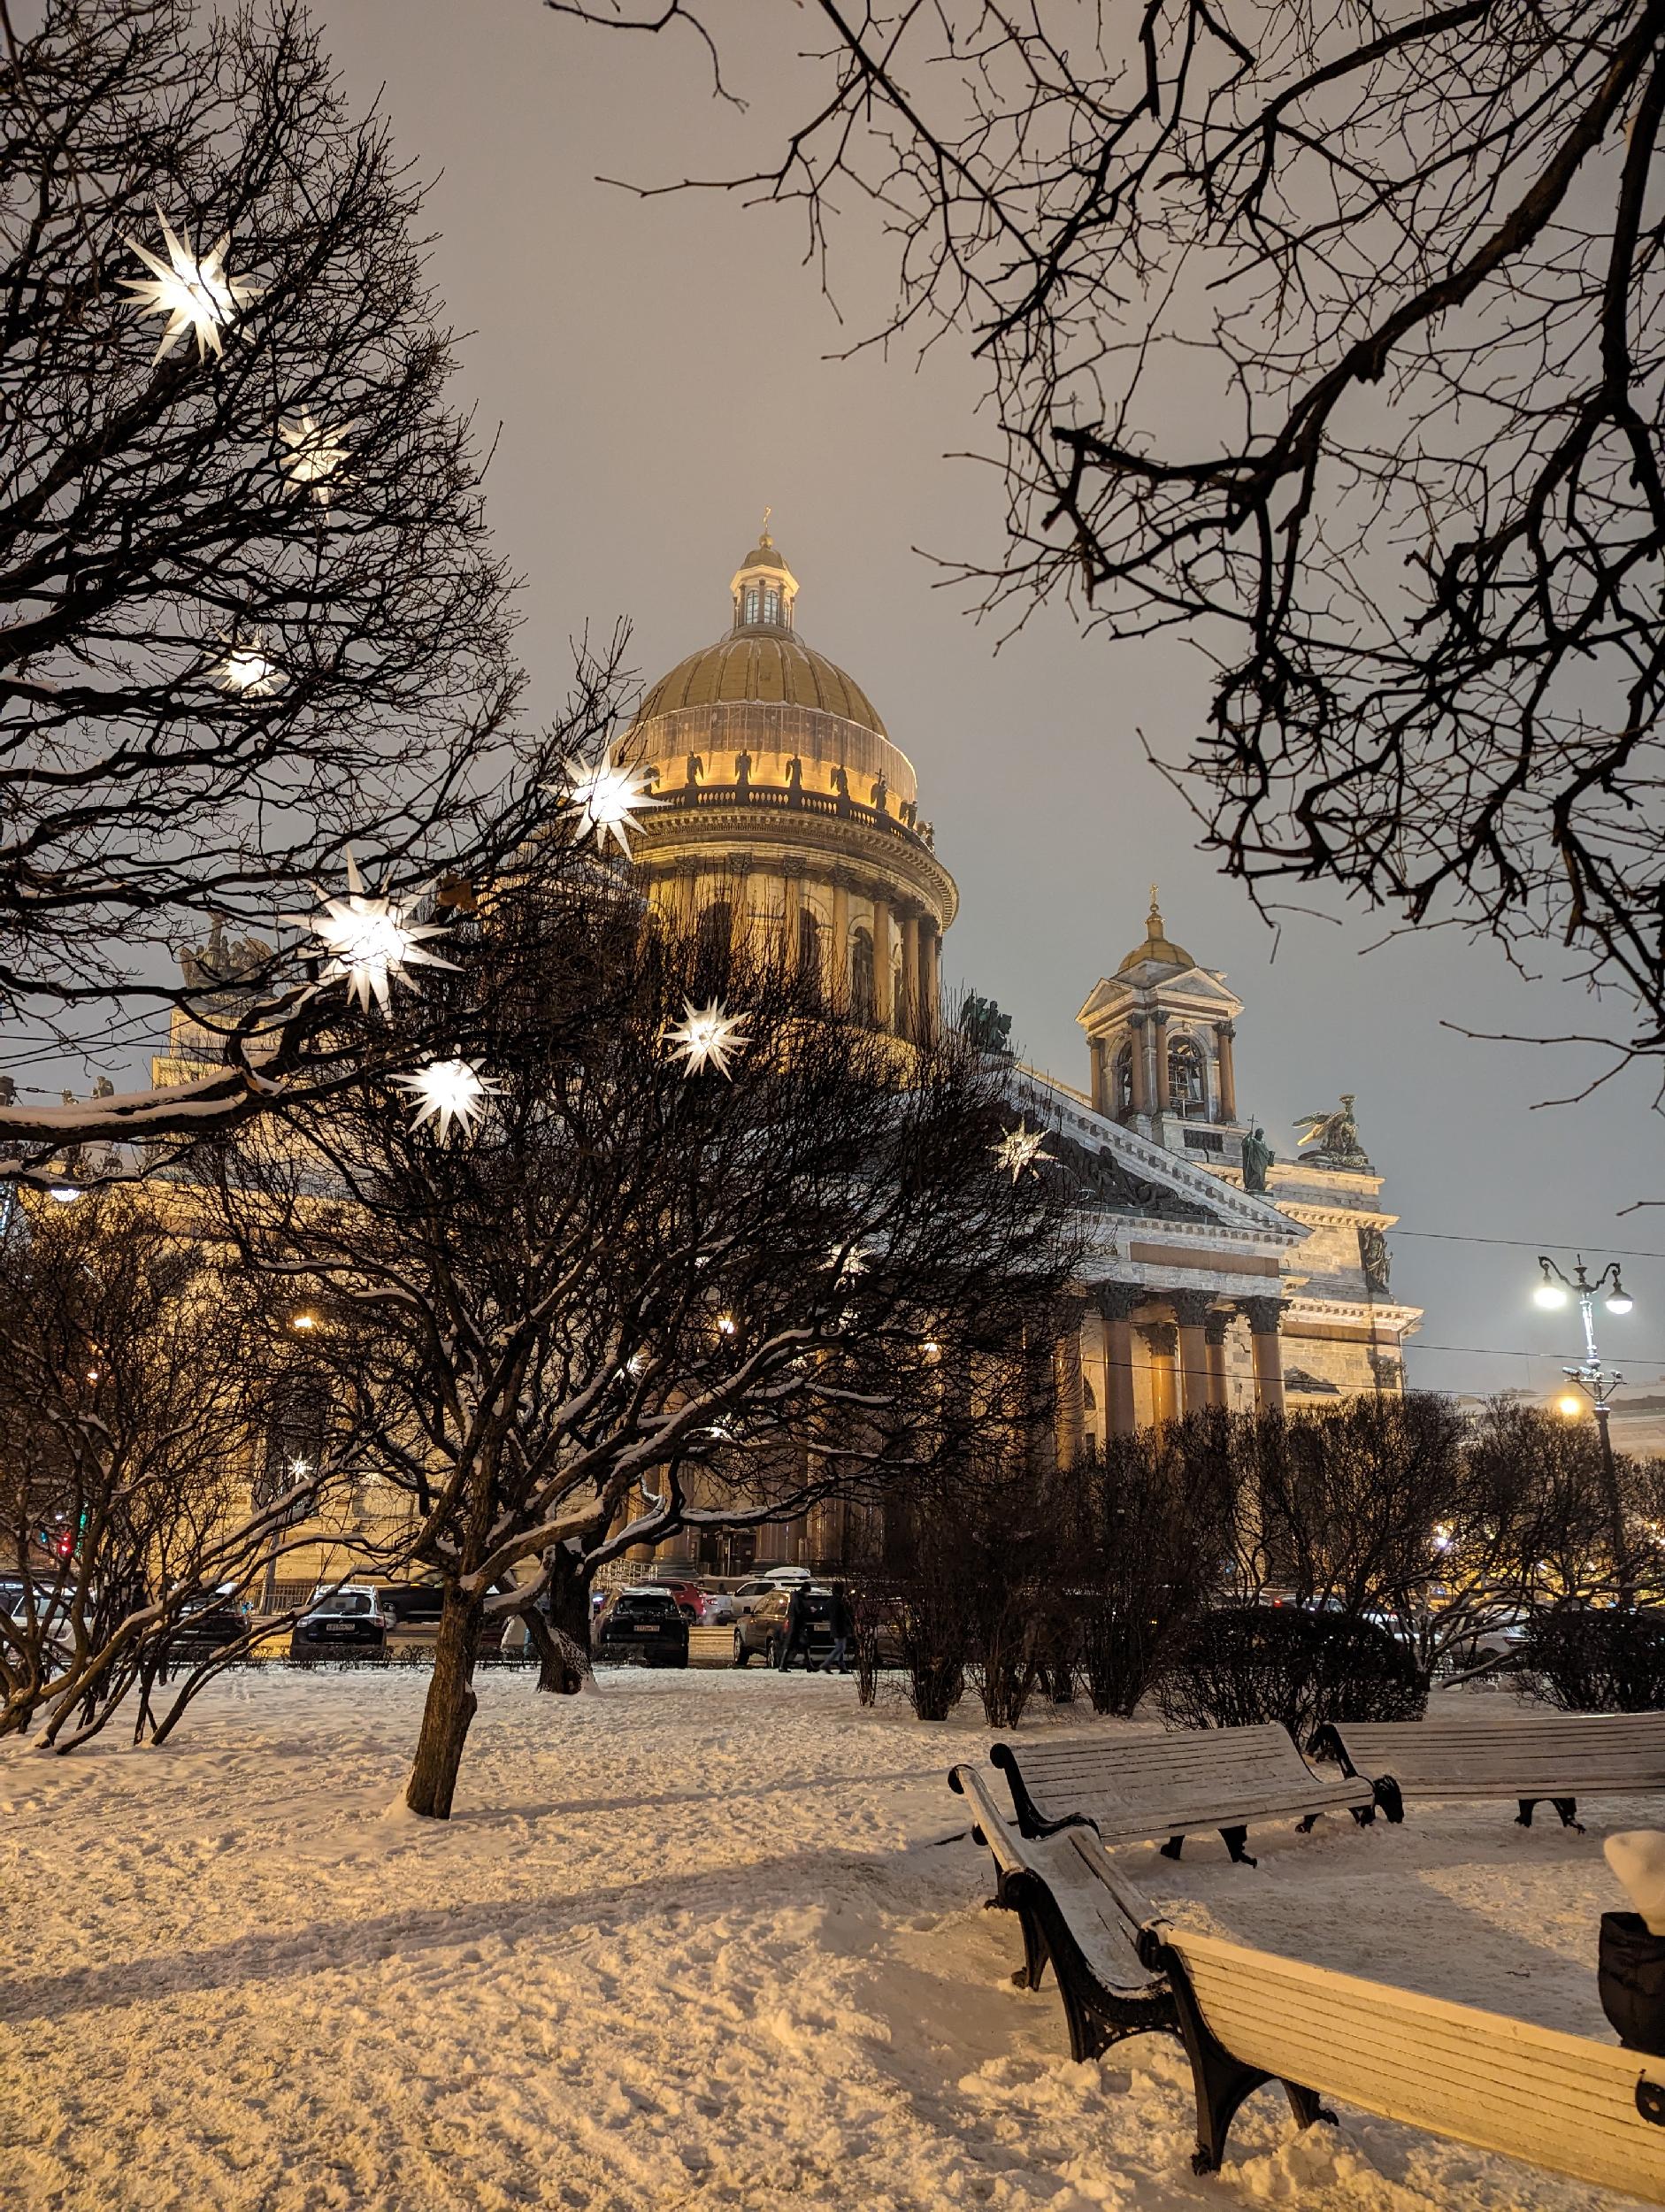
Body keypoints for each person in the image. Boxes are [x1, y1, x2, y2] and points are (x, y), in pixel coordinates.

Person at [817, 1583, 854, 1675]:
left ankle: (842, 1666)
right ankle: (826, 1664)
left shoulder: (830, 1601)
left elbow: (825, 1613)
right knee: (840, 1648)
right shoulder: (840, 1602)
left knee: (840, 1648)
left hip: (834, 1627)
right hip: (840, 1628)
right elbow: (846, 1614)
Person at [777, 1583, 811, 1671]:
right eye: (808, 1592)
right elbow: (799, 1611)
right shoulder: (798, 1598)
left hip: (795, 1626)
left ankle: (808, 1665)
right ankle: (782, 1665)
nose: (808, 1594)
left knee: (803, 1644)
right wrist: (809, 1610)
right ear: (805, 1591)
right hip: (796, 1626)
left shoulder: (795, 1596)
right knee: (793, 1645)